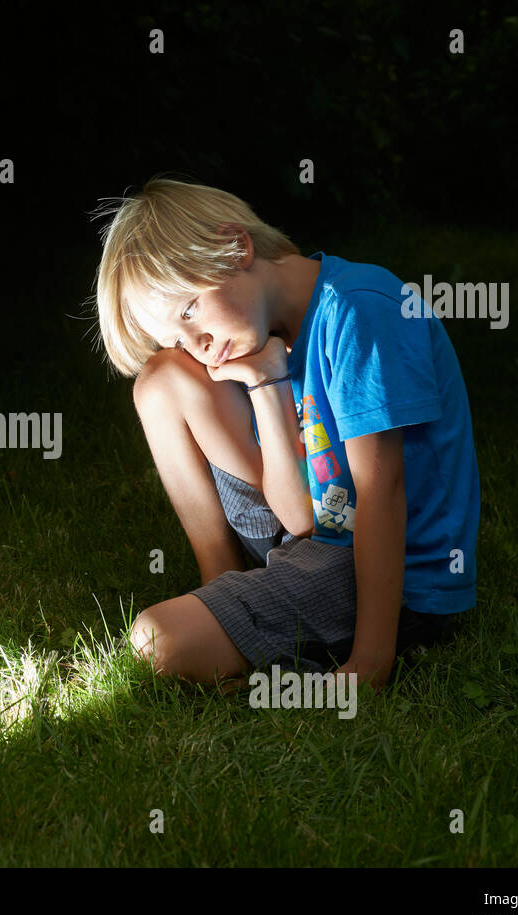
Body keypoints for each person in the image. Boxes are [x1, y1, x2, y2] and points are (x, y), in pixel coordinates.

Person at [91, 176, 479, 690]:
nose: (198, 345)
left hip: (394, 573)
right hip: (317, 536)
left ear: (235, 247)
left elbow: (381, 494)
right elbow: (299, 518)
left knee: (158, 642)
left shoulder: (360, 309)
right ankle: (223, 591)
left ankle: (259, 645)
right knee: (161, 379)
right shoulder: (264, 328)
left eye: (190, 311)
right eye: (176, 336)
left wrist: (369, 666)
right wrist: (265, 380)